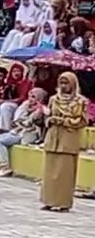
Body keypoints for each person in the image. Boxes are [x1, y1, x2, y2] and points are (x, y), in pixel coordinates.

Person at [41, 71, 91, 212]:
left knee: (65, 173)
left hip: (68, 139)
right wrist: (50, 120)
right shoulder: (53, 99)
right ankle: (48, 200)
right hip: (53, 137)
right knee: (49, 172)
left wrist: (65, 121)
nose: (63, 86)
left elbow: (83, 121)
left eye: (66, 83)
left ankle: (63, 203)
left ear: (73, 84)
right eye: (61, 83)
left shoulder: (80, 102)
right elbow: (47, 117)